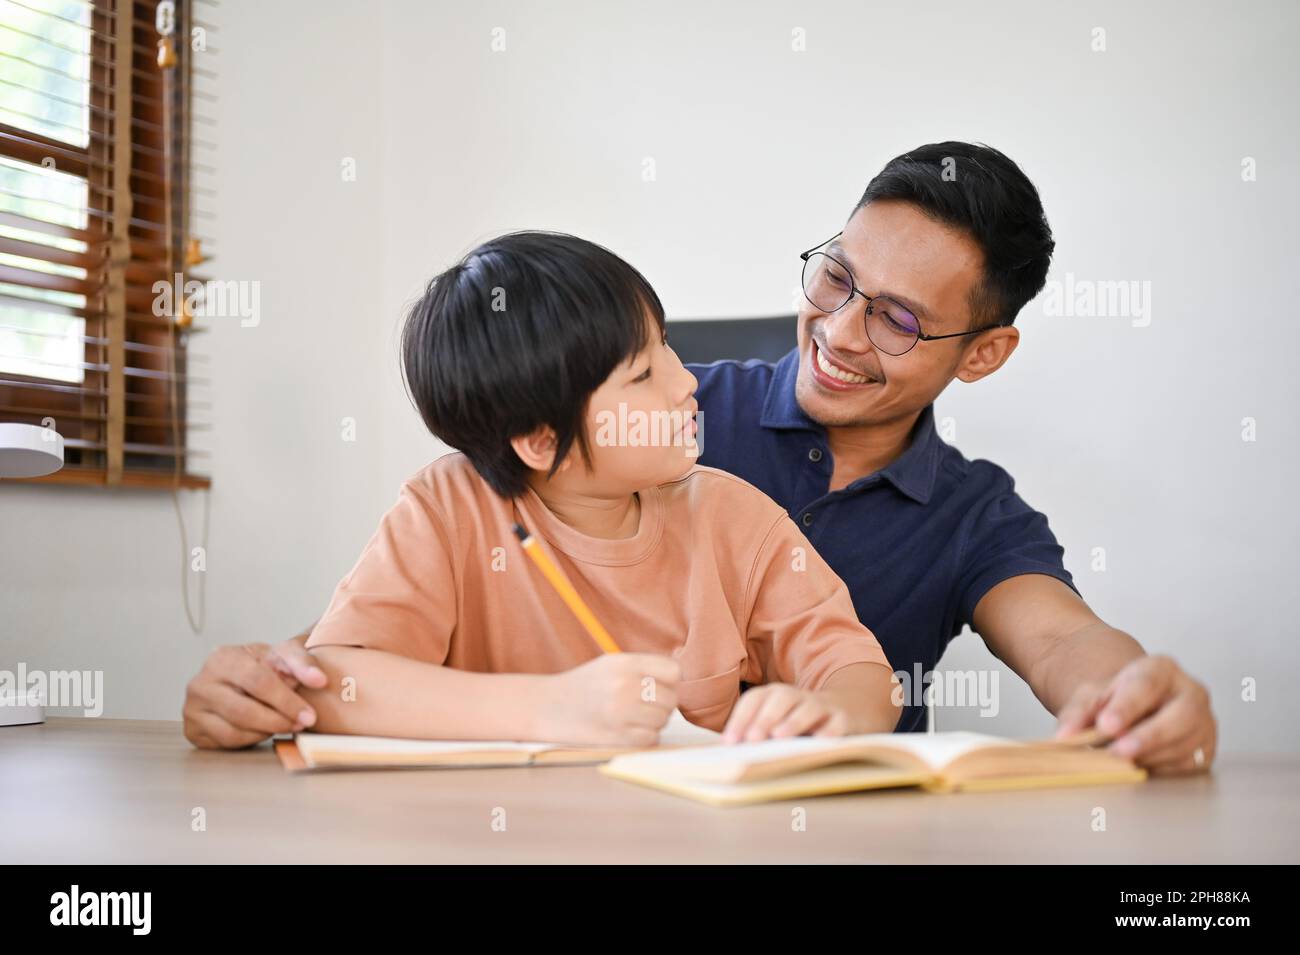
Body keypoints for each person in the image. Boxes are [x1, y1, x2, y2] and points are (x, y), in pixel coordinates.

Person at [184, 142, 1216, 774]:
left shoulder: (955, 511)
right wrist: (271, 677)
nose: (840, 331)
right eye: (835, 278)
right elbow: (367, 647)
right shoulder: (658, 423)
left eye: (897, 319)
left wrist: (1138, 696)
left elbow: (1060, 642)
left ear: (983, 352)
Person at [232, 230, 901, 746]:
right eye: (642, 375)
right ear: (541, 440)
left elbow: (862, 674)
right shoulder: (448, 508)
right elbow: (334, 683)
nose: (685, 382)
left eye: (665, 346)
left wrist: (831, 709)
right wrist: (554, 707)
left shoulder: (733, 515)